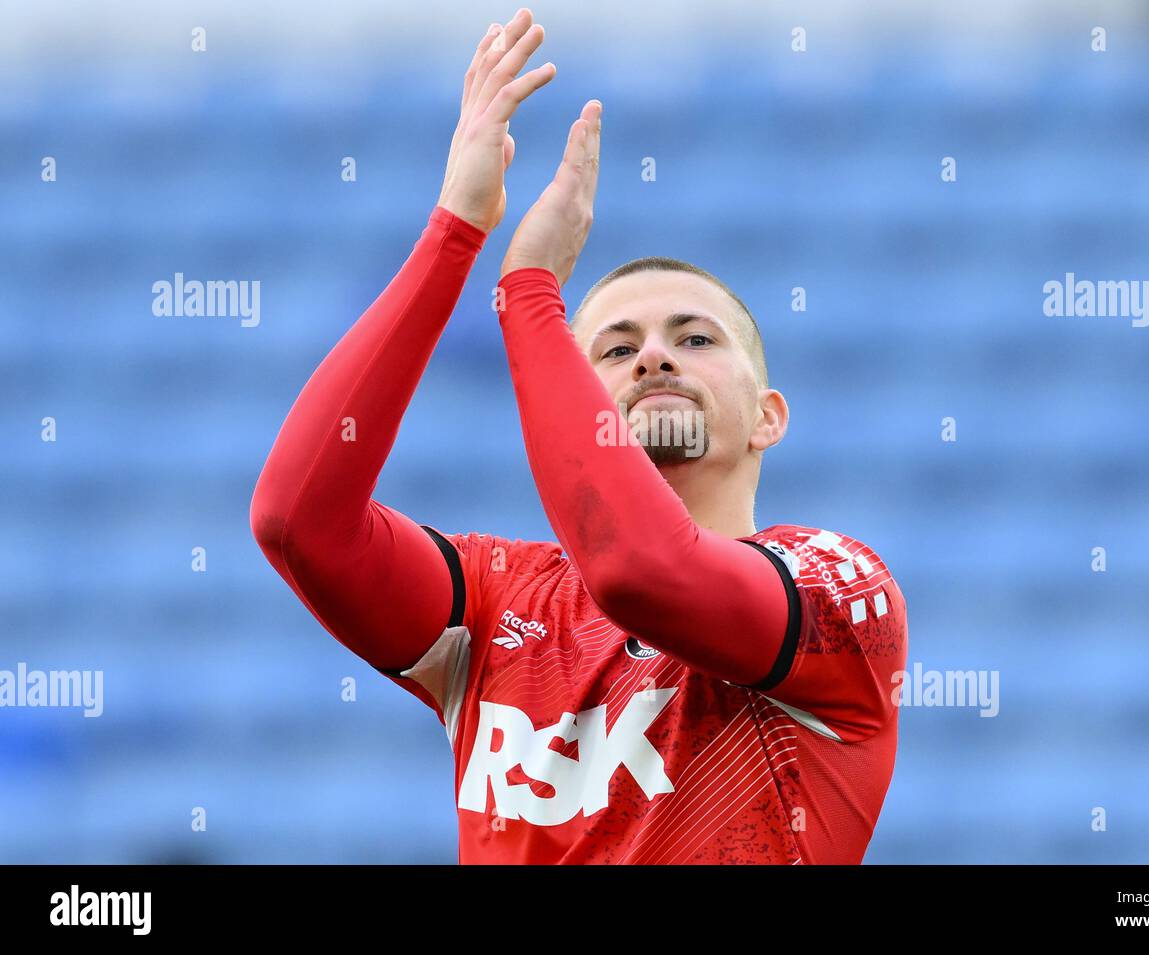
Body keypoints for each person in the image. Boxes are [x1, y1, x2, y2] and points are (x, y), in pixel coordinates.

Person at [250, 7, 907, 864]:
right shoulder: (498, 605)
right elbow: (298, 522)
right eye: (615, 348)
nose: (654, 358)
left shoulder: (839, 593)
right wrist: (456, 230)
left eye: (696, 338)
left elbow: (640, 568)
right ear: (570, 394)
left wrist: (530, 291)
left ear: (768, 416)